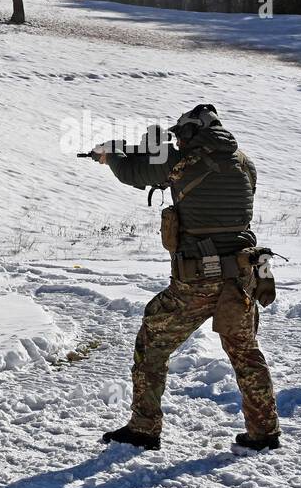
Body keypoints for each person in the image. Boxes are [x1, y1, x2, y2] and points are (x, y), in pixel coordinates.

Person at [89, 104, 280, 451]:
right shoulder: (244, 163)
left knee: (151, 345)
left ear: (191, 132)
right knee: (246, 354)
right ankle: (264, 431)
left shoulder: (180, 161)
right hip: (242, 275)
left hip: (197, 279)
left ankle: (144, 428)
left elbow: (132, 173)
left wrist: (111, 155)